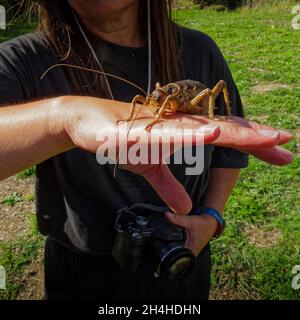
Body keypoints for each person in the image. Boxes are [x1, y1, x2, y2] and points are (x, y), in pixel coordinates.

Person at [0, 0, 293, 300]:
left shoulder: (201, 51)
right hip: (83, 272)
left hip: (184, 255)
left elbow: (228, 153)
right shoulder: (25, 59)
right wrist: (62, 119)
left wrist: (212, 216)